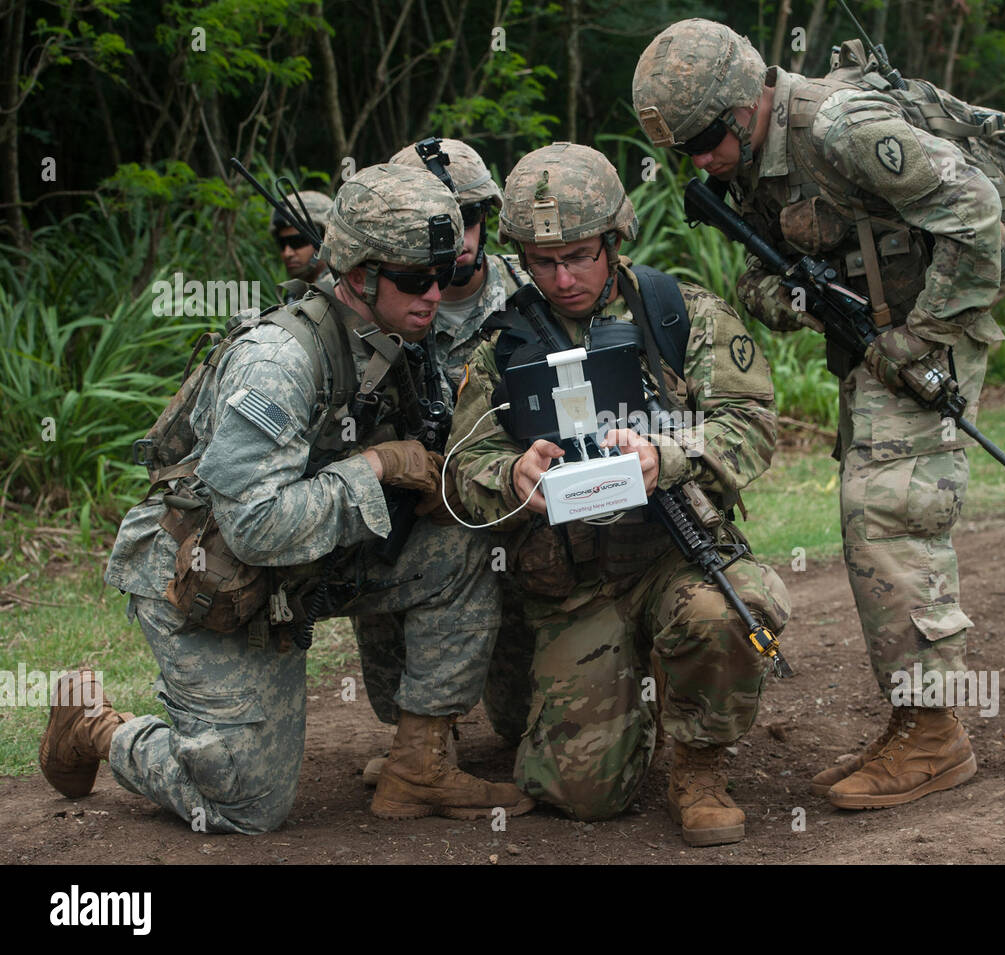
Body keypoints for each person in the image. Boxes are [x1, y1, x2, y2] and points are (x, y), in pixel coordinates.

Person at [41, 163, 532, 833]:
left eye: (442, 276)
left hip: (307, 565)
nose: (433, 294)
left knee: (462, 542)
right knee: (246, 805)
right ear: (358, 274)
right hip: (211, 578)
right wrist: (377, 466)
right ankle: (96, 725)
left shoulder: (400, 342)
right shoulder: (279, 360)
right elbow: (254, 525)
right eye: (414, 279)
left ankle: (419, 766)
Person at [634, 20, 1005, 811]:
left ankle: (935, 732)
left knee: (889, 511)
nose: (700, 161)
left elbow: (977, 213)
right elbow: (760, 276)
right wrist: (799, 297)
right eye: (685, 151)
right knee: (870, 509)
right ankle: (913, 718)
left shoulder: (840, 128)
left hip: (929, 338)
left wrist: (920, 335)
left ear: (746, 104)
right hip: (874, 347)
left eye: (705, 139)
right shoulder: (751, 158)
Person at [446, 142, 791, 846]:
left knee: (728, 611)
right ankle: (624, 688)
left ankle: (700, 767)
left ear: (613, 239)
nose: (562, 277)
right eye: (542, 261)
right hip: (571, 579)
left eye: (579, 256)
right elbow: (463, 465)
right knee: (582, 796)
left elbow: (751, 423)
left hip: (671, 554)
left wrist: (668, 455)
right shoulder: (502, 346)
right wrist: (512, 476)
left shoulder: (679, 314)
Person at [352, 138, 525, 788]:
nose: (455, 238)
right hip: (415, 522)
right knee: (385, 536)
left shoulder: (534, 291)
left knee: (525, 726)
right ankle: (421, 740)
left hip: (518, 518)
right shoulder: (363, 311)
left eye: (468, 217)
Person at [272, 189, 333, 287]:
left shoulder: (345, 289)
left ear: (326, 239)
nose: (287, 253)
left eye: (297, 242)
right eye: (281, 243)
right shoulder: (299, 291)